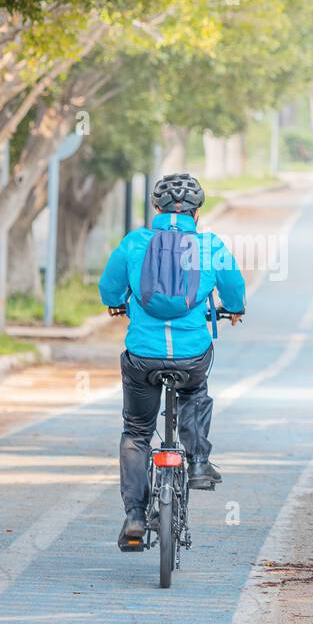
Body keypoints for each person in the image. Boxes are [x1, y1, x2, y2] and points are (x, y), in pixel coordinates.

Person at [98, 172, 246, 550]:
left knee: (136, 431)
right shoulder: (209, 246)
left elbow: (109, 287)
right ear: (198, 213)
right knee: (195, 391)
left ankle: (134, 515)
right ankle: (197, 461)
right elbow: (233, 287)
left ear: (156, 209)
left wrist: (117, 303)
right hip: (191, 354)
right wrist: (233, 309)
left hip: (143, 357)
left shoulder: (135, 244)